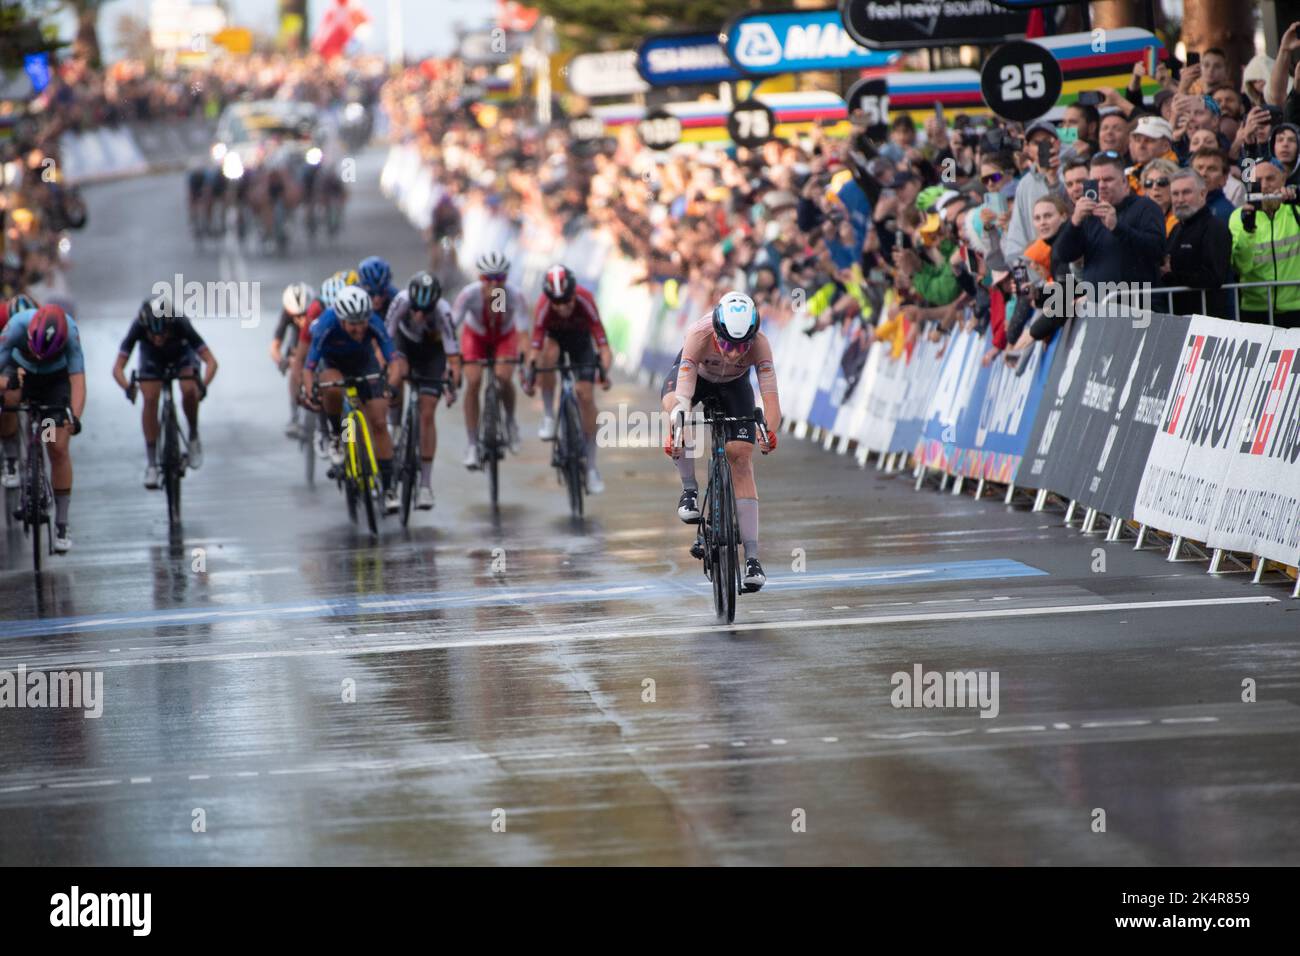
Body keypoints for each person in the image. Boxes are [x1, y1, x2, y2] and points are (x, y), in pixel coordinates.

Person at [661, 292, 780, 591]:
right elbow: (685, 396)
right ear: (715, 331)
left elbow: (770, 400)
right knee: (674, 407)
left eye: (741, 347)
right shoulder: (699, 335)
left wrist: (770, 431)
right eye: (726, 344)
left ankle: (752, 557)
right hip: (696, 377)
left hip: (734, 386)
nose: (732, 353)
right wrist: (677, 428)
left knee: (740, 455)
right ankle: (689, 489)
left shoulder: (761, 344)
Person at [302, 284, 402, 511]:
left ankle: (388, 489)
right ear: (341, 319)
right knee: (333, 388)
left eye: (362, 323)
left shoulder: (374, 322)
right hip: (333, 365)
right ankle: (338, 436)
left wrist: (392, 387)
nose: (359, 330)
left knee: (378, 422)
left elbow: (394, 362)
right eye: (353, 324)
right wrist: (311, 391)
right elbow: (309, 369)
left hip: (364, 363)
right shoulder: (326, 324)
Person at [0, 304, 85, 552]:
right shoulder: (16, 326)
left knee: (56, 447)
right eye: (35, 350)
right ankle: (12, 459)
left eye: (44, 353)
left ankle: (61, 522)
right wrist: (5, 382)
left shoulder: (70, 333)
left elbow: (78, 382)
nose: (39, 356)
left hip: (54, 382)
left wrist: (75, 418)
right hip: (18, 372)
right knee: (8, 401)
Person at [523, 264, 613, 494]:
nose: (562, 308)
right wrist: (530, 375)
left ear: (574, 293)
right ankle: (548, 416)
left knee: (584, 395)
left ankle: (591, 467)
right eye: (557, 302)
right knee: (547, 354)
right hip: (555, 341)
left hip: (580, 342)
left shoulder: (585, 299)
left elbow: (603, 346)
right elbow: (534, 347)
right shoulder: (544, 305)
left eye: (567, 301)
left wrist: (603, 372)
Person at [113, 295, 218, 487]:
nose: (158, 338)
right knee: (150, 397)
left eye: (163, 334)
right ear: (145, 328)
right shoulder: (138, 326)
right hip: (151, 357)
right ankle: (152, 464)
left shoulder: (181, 322)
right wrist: (128, 386)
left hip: (182, 355)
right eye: (153, 334)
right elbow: (117, 368)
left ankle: (193, 433)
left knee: (188, 389)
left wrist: (202, 385)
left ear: (171, 325)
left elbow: (211, 362)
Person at [385, 270, 460, 511]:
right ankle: (394, 426)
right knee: (397, 373)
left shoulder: (444, 312)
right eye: (415, 309)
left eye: (425, 311)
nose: (418, 314)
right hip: (404, 345)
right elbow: (385, 337)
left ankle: (425, 485)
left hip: (432, 353)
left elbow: (453, 357)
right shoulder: (401, 301)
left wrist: (452, 384)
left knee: (427, 413)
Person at [451, 252, 530, 468]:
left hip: (503, 336)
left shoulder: (513, 295)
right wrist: (453, 360)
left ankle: (511, 422)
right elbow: (450, 328)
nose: (494, 285)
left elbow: (523, 335)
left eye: (499, 280)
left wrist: (525, 359)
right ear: (480, 279)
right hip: (475, 336)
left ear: (506, 279)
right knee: (474, 381)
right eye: (488, 279)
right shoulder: (469, 295)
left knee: (503, 377)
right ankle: (472, 444)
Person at [1052, 151, 1166, 288]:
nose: (1101, 185)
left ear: (1124, 181)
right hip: (1099, 303)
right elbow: (1064, 255)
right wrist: (1074, 222)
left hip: (1138, 302)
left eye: (1107, 180)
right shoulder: (1089, 214)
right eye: (1095, 180)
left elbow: (1157, 251)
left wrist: (1117, 227)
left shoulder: (1146, 207)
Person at [1228, 160, 1300, 328]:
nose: (1264, 185)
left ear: (1283, 180)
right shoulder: (1239, 216)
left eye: (1270, 178)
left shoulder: (1296, 209)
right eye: (1258, 181)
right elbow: (1241, 267)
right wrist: (1248, 230)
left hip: (1296, 307)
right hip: (1255, 309)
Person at [1163, 168, 1232, 317]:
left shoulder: (1215, 228)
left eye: (1186, 192)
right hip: (1178, 318)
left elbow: (1214, 277)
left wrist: (1172, 273)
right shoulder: (1176, 228)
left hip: (1206, 320)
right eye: (1175, 194)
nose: (1180, 199)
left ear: (1202, 193)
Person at [1003, 120, 1065, 262]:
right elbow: (1017, 236)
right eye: (1036, 143)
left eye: (1047, 141)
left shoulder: (1070, 173)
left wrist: (1054, 179)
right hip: (1039, 270)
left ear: (1057, 143)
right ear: (1028, 148)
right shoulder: (1024, 184)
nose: (1042, 147)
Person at [0, 292, 39, 488]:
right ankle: (11, 460)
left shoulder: (43, 317)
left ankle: (44, 437)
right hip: (9, 355)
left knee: (47, 406)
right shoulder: (2, 319)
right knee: (8, 400)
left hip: (38, 357)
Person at [270, 281, 317, 437]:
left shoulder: (319, 311)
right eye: (297, 316)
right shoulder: (287, 313)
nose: (302, 319)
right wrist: (281, 361)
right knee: (294, 367)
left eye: (305, 314)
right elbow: (275, 346)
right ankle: (294, 416)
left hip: (317, 344)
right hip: (297, 347)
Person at [1128, 116, 1178, 195]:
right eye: (1138, 140)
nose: (1141, 146)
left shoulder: (1179, 173)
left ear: (1165, 146)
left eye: (1148, 140)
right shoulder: (1130, 174)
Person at [1191, 147, 1239, 221]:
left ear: (1224, 178)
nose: (1203, 173)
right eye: (1199, 168)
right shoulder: (1178, 206)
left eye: (1211, 169)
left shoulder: (1228, 214)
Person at [1139, 157, 1182, 234]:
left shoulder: (1185, 218)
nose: (1155, 187)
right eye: (1149, 183)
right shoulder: (1138, 219)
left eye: (1162, 182)